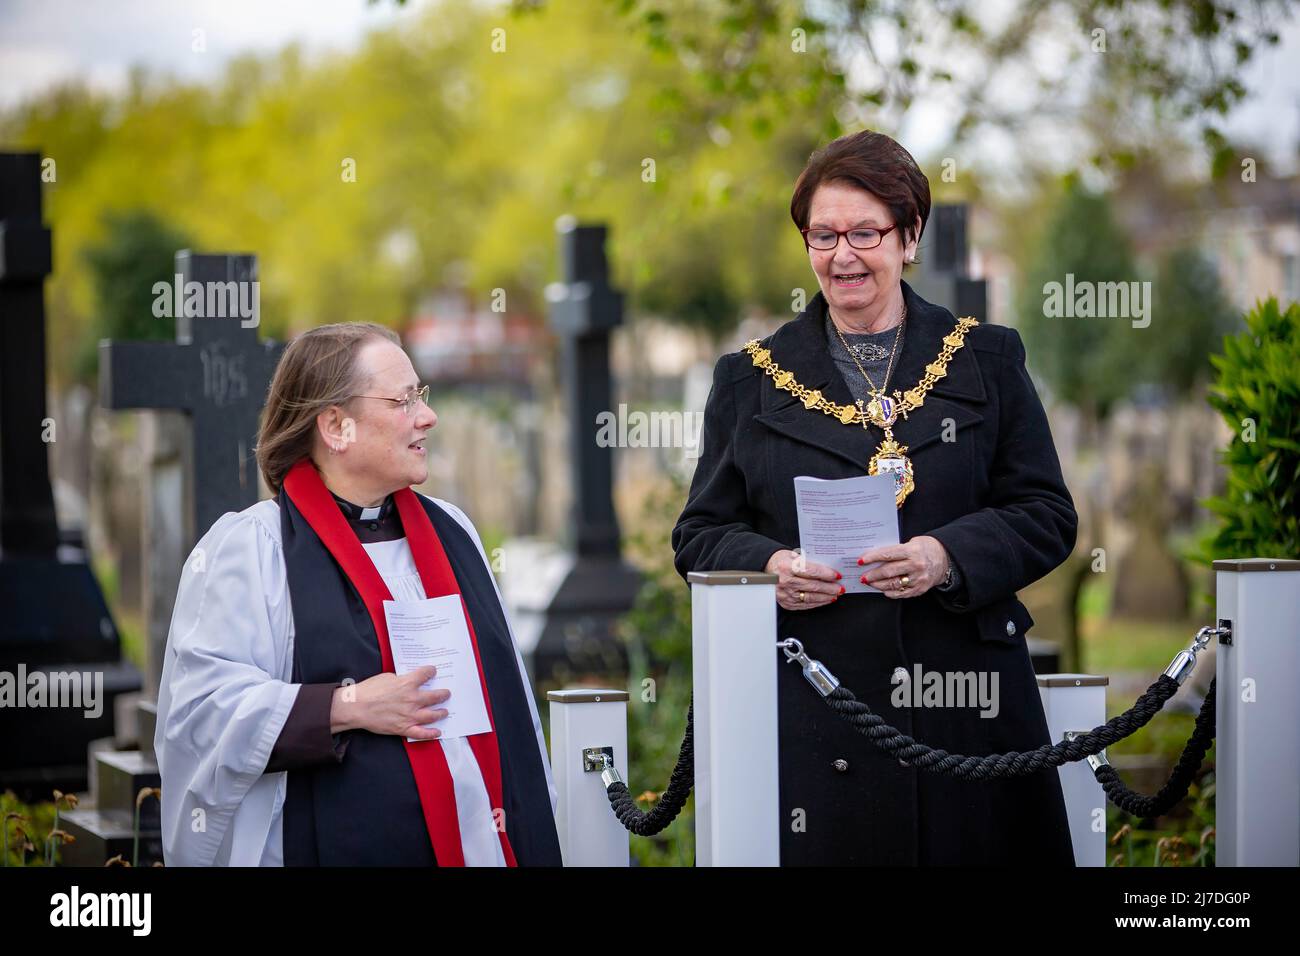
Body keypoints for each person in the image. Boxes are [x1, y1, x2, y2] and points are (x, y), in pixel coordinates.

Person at [672, 129, 1079, 865]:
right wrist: (770, 566)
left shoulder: (987, 357)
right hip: (817, 711)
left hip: (967, 705)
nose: (843, 255)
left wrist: (944, 554)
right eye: (822, 235)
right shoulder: (749, 378)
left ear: (910, 235)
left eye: (865, 232)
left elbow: (1047, 516)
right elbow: (700, 533)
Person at [155, 322, 561, 866]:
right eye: (402, 401)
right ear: (336, 426)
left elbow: (513, 712)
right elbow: (200, 714)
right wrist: (347, 706)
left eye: (422, 396)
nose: (427, 416)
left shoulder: (452, 533)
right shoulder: (255, 548)